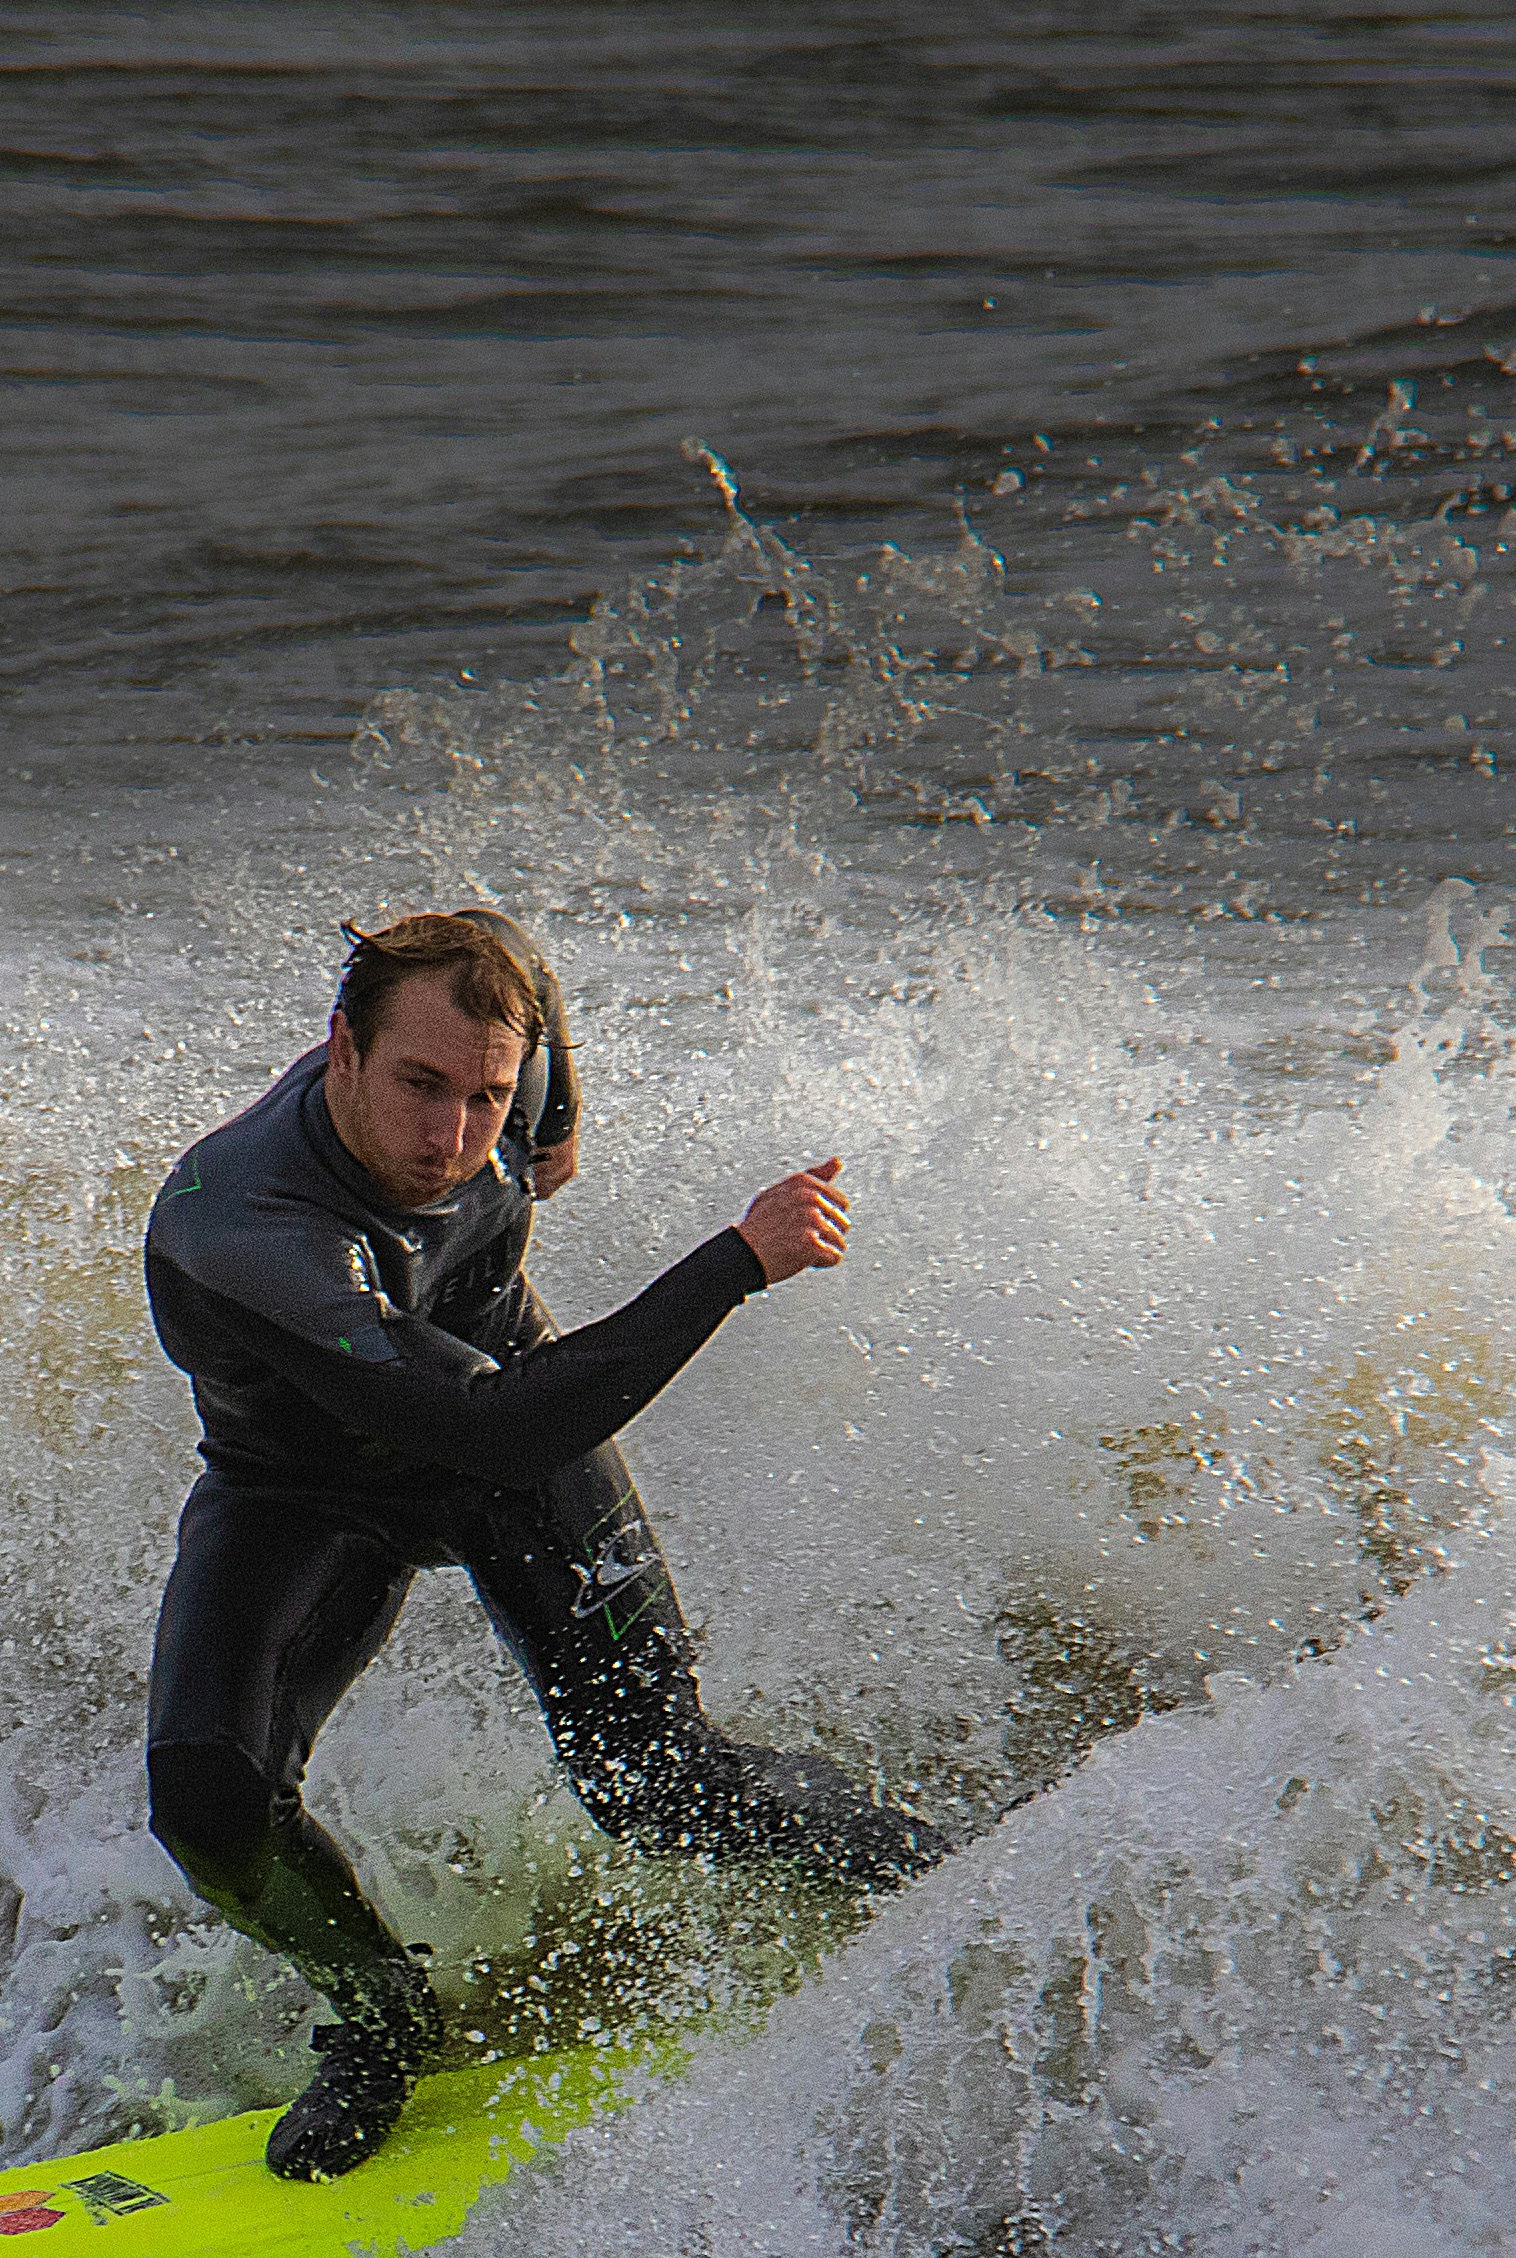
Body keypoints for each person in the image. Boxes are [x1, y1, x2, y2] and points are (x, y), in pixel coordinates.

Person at [141, 907, 951, 2179]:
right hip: (313, 1488)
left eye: (487, 1098)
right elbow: (495, 1430)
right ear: (339, 1049)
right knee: (207, 1794)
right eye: (418, 1086)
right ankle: (384, 2018)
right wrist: (735, 1260)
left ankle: (951, 1877)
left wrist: (548, 1123)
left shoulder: (497, 1068)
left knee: (659, 1784)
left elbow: (526, 1014)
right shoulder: (249, 1227)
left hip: (513, 1425)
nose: (452, 1140)